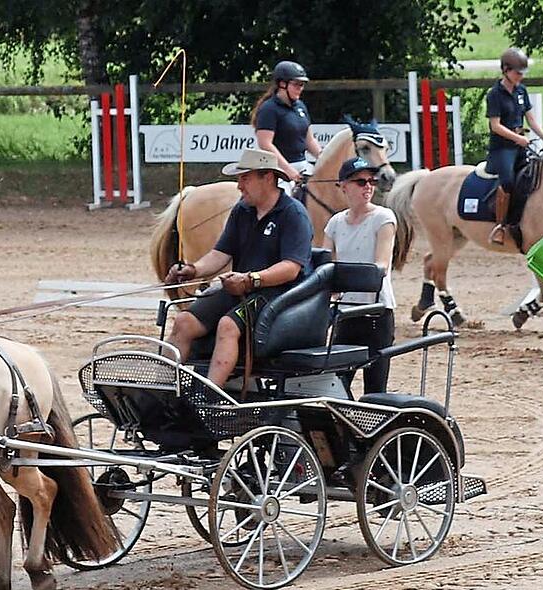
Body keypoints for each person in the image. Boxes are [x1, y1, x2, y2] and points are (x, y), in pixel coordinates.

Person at [164, 147, 314, 387]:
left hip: (279, 294)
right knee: (183, 321)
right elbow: (220, 253)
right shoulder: (242, 210)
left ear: (267, 177)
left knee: (228, 325)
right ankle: (166, 390)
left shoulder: (293, 214)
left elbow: (291, 268)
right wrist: (193, 270)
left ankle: (210, 395)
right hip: (241, 289)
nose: (239, 186)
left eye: (245, 178)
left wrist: (251, 279)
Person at [323, 157, 398, 394]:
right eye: (360, 181)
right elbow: (325, 263)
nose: (368, 186)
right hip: (346, 312)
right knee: (336, 383)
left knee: (375, 387)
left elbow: (381, 267)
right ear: (343, 186)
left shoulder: (383, 218)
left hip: (376, 312)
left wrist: (339, 278)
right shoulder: (335, 222)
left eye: (371, 181)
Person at [486, 47, 543, 245]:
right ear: (505, 70)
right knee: (508, 182)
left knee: (533, 179)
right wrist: (516, 138)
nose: (521, 76)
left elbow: (531, 120)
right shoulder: (495, 94)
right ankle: (501, 226)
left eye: (522, 73)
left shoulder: (522, 91)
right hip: (502, 148)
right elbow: (494, 125)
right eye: (517, 72)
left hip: (520, 145)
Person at [251, 60, 323, 194]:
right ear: (282, 84)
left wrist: (324, 158)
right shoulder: (269, 109)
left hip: (303, 166)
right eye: (296, 84)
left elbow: (310, 140)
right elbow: (265, 144)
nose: (300, 88)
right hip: (278, 170)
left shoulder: (300, 107)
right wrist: (287, 170)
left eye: (302, 85)